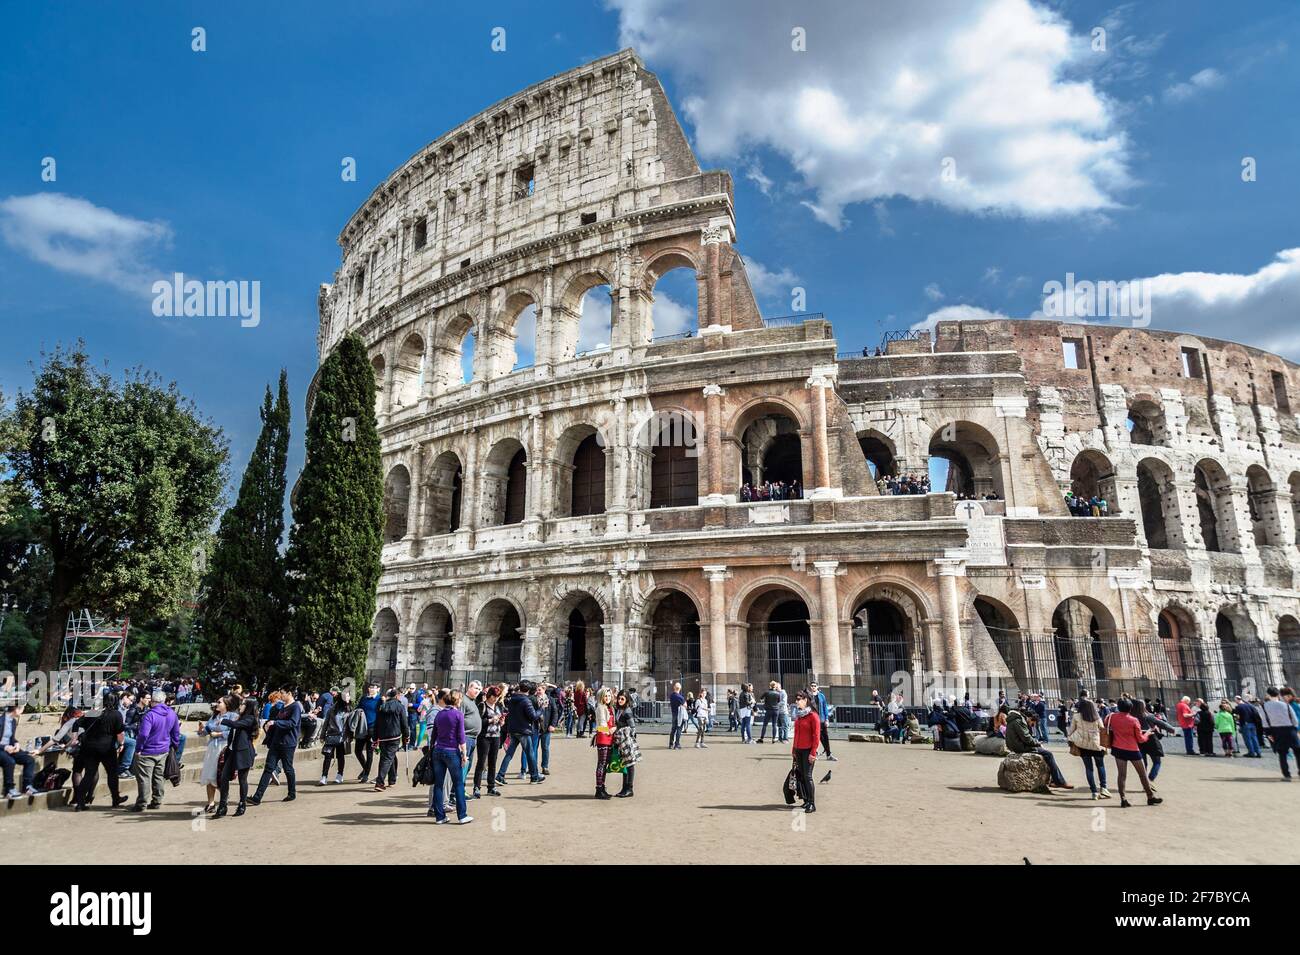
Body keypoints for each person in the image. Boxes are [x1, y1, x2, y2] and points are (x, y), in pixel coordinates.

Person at [71, 695, 128, 810]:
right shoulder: (116, 714)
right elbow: (119, 733)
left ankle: (80, 803)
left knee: (89, 775)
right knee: (112, 774)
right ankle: (115, 798)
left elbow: (76, 724)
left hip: (89, 748)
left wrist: (74, 739)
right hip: (107, 748)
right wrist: (121, 744)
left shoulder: (92, 713)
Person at [1105, 699, 1163, 808]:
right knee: (1142, 775)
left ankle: (1123, 799)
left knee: (1121, 775)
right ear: (1130, 708)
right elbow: (1140, 739)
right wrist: (1148, 733)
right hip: (1132, 749)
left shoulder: (1112, 717)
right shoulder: (1133, 720)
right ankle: (1150, 797)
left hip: (1118, 748)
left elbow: (1106, 724)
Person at [247, 689, 302, 804]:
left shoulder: (295, 707)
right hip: (276, 743)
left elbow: (293, 723)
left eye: (283, 693)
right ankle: (257, 797)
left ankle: (292, 793)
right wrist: (269, 725)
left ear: (289, 693)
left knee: (288, 769)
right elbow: (277, 721)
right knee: (268, 769)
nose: (280, 695)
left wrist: (276, 723)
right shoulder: (282, 707)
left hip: (288, 743)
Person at [130, 690, 181, 811]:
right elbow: (176, 733)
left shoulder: (150, 715)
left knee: (144, 778)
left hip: (147, 751)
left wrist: (139, 749)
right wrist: (174, 746)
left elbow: (143, 735)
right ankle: (157, 801)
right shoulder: (172, 713)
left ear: (153, 702)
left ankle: (141, 804)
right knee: (158, 777)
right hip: (163, 750)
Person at [428, 688, 472, 824]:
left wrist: (431, 751)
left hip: (438, 750)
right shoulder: (458, 714)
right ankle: (462, 815)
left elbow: (433, 735)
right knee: (458, 784)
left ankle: (439, 816)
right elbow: (461, 737)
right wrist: (464, 754)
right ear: (457, 700)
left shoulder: (439, 714)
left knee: (439, 785)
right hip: (452, 751)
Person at [1005, 707, 1073, 790]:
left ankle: (1055, 780)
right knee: (1048, 754)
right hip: (1020, 747)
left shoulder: (1014, 719)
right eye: (1032, 723)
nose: (1031, 725)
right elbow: (1027, 738)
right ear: (1030, 718)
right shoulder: (1019, 721)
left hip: (1014, 745)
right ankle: (1058, 781)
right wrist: (1037, 743)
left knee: (1046, 754)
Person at [215, 696, 259, 818]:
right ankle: (222, 806)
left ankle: (241, 804)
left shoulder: (250, 719)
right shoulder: (240, 716)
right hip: (232, 751)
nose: (240, 706)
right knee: (224, 777)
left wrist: (223, 721)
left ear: (249, 706)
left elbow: (236, 725)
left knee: (242, 780)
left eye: (243, 704)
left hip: (244, 753)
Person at [497, 681, 544, 785]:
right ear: (527, 690)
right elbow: (533, 716)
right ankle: (534, 777)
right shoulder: (526, 701)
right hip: (523, 730)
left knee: (509, 754)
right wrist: (541, 709)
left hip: (513, 729)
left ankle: (500, 775)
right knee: (530, 753)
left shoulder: (512, 699)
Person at [1066, 696, 1110, 800]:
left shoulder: (1076, 716)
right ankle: (1103, 788)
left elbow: (1071, 730)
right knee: (1100, 766)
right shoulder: (1096, 716)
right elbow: (1102, 729)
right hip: (1096, 744)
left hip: (1083, 745)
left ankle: (1094, 792)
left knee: (1089, 768)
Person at [370, 688, 409, 793]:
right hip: (394, 737)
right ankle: (380, 782)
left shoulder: (381, 707)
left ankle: (392, 779)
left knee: (387, 757)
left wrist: (375, 737)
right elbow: (404, 723)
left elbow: (376, 723)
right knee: (387, 758)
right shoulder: (400, 707)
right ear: (396, 696)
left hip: (383, 737)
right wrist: (407, 736)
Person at [197, 696, 232, 812]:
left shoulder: (232, 716)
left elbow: (233, 732)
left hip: (224, 748)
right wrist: (201, 730)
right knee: (209, 774)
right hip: (212, 748)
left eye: (219, 702)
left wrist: (220, 734)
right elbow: (204, 732)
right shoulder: (214, 717)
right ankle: (210, 803)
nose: (217, 704)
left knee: (220, 775)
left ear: (226, 704)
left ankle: (224, 799)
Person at [1133, 698, 1177, 784]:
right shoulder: (1149, 716)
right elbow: (1162, 724)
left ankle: (1145, 782)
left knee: (1143, 764)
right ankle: (1151, 778)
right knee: (1157, 762)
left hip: (1138, 740)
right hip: (1151, 740)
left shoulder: (1132, 717)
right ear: (1144, 706)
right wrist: (1172, 729)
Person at [1260, 686, 1300, 779]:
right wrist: (1294, 728)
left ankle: (1286, 774)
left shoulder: (1263, 707)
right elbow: (1294, 720)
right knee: (1297, 751)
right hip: (1290, 729)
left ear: (1268, 695)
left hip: (1276, 730)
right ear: (1278, 694)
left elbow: (1265, 723)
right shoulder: (1285, 705)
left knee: (1282, 753)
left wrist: (1269, 733)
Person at [791, 690, 820, 813]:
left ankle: (812, 803)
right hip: (798, 749)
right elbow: (796, 733)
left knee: (808, 776)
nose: (796, 701)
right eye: (796, 699)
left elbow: (816, 735)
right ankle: (806, 800)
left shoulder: (813, 716)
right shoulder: (799, 715)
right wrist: (793, 749)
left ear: (805, 700)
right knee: (802, 776)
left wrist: (813, 752)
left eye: (799, 699)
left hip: (808, 750)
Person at [473, 685, 505, 798]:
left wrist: (501, 722)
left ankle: (491, 786)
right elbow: (478, 722)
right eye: (493, 697)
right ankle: (476, 787)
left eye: (497, 697)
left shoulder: (498, 706)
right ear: (489, 696)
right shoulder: (482, 705)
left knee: (493, 761)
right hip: (484, 737)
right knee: (481, 762)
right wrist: (491, 720)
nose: (495, 699)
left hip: (496, 736)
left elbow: (501, 720)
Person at [0, 704, 37, 798]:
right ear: (16, 709)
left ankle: (27, 786)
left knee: (29, 760)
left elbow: (11, 738)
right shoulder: (1, 720)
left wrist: (16, 743)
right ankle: (9, 789)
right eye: (22, 709)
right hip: (2, 749)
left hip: (10, 749)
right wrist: (4, 747)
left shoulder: (13, 721)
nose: (23, 711)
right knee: (10, 761)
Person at [613, 689, 640, 797]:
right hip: (621, 740)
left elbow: (633, 727)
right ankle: (624, 788)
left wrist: (627, 737)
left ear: (627, 700)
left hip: (626, 740)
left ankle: (630, 788)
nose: (620, 700)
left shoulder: (627, 711)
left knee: (630, 764)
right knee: (625, 764)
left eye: (622, 699)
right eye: (619, 698)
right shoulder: (619, 710)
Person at [319, 693, 351, 784]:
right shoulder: (332, 709)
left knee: (340, 756)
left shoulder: (348, 709)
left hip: (342, 737)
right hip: (331, 736)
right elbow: (326, 723)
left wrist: (350, 736)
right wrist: (322, 736)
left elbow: (350, 725)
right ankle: (324, 776)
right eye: (347, 697)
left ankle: (340, 775)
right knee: (328, 756)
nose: (349, 698)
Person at [592, 686, 615, 800]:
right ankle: (599, 789)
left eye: (609, 696)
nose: (607, 698)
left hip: (609, 738)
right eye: (605, 696)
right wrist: (611, 730)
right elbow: (600, 727)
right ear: (601, 697)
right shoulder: (600, 708)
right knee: (601, 764)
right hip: (603, 738)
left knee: (605, 764)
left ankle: (602, 787)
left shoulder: (609, 707)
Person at [354, 684, 380, 782]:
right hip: (362, 728)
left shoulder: (379, 700)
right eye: (370, 687)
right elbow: (357, 708)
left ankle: (366, 775)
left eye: (374, 687)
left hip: (373, 729)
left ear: (378, 689)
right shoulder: (364, 698)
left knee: (369, 752)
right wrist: (358, 712)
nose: (371, 689)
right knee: (357, 751)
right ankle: (365, 769)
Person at [808, 682, 837, 762]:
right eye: (812, 686)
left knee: (825, 737)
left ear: (817, 687)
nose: (813, 687)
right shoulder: (808, 696)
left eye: (815, 686)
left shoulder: (821, 696)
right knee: (817, 737)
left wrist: (827, 719)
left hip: (822, 719)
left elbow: (825, 708)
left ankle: (828, 754)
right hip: (813, 720)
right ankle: (814, 753)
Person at [461, 681, 483, 785]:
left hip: (473, 738)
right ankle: (455, 792)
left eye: (479, 689)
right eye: (475, 688)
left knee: (467, 766)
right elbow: (459, 720)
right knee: (463, 765)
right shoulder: (463, 701)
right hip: (465, 737)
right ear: (469, 688)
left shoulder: (472, 701)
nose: (478, 691)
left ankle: (461, 789)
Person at [667, 682, 685, 750]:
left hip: (674, 713)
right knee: (679, 729)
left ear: (674, 687)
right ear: (680, 688)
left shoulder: (672, 695)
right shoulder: (680, 697)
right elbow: (685, 705)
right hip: (680, 714)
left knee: (673, 729)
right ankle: (677, 744)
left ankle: (671, 744)